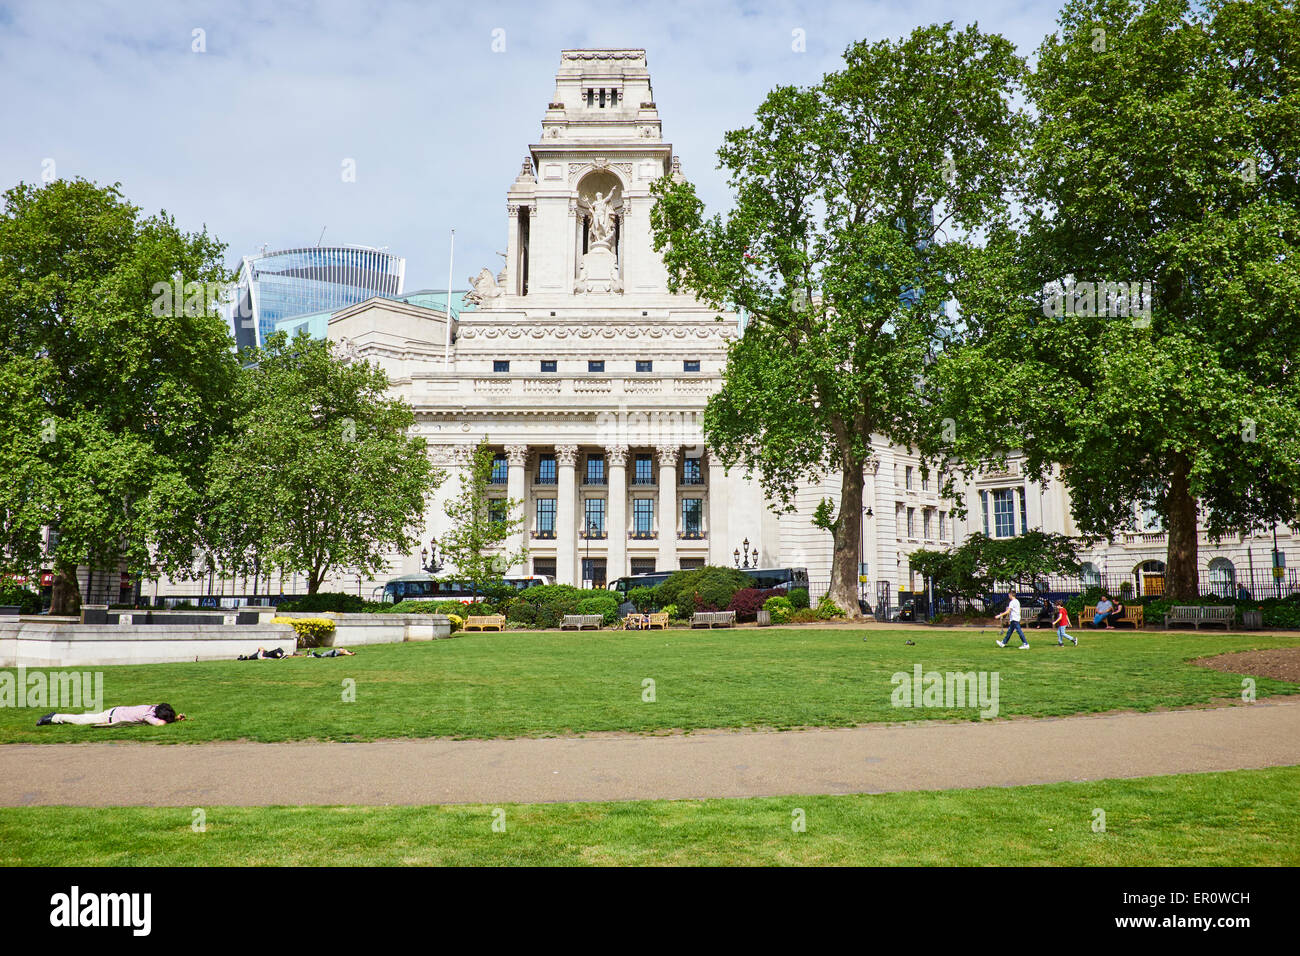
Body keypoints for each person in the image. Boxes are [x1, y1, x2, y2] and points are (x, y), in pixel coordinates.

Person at [37, 703, 185, 727]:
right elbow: (160, 724)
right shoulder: (148, 715)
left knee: (84, 717)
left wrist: (176, 718)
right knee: (81, 720)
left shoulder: (153, 707)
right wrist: (173, 720)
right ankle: (54, 717)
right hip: (109, 717)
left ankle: (56, 716)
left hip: (114, 711)